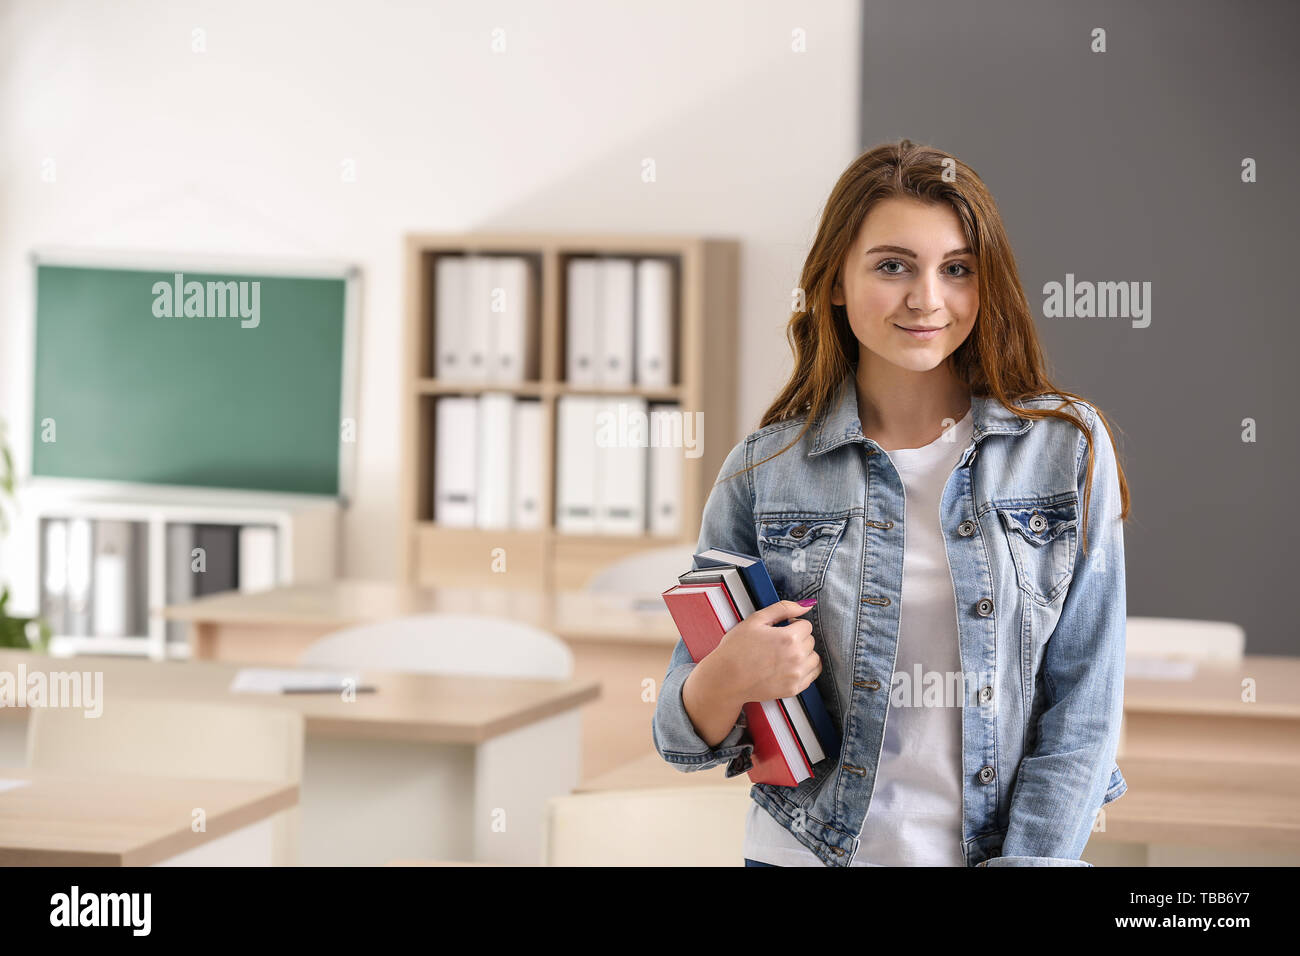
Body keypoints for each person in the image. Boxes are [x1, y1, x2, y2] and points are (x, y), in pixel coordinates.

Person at [651, 138, 1131, 867]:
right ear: (836, 281)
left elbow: (1085, 707)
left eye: (957, 269)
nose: (927, 298)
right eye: (893, 266)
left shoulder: (1064, 448)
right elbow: (680, 732)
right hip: (803, 852)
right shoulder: (766, 469)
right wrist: (730, 672)